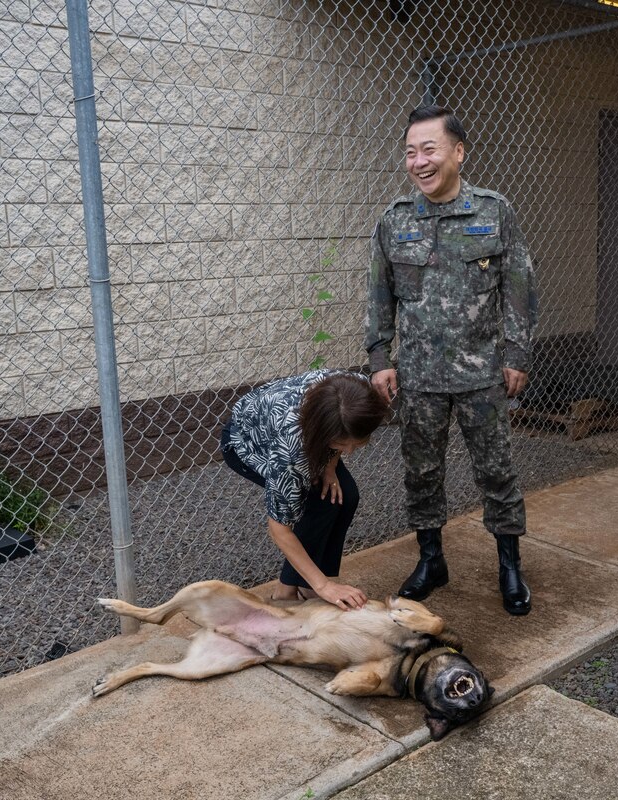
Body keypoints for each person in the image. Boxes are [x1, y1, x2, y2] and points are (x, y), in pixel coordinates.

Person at [364, 104, 539, 616]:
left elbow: (520, 287)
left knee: (497, 472)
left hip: (482, 374)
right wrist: (379, 357)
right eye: (410, 152)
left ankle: (509, 565)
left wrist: (517, 353)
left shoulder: (493, 212)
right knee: (421, 474)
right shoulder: (394, 220)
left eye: (429, 149)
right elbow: (379, 295)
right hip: (418, 378)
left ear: (459, 153)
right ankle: (431, 560)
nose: (419, 161)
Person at [220, 369, 388, 610]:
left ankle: (305, 585)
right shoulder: (290, 454)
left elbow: (340, 433)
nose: (349, 451)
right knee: (318, 504)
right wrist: (324, 586)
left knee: (345, 496)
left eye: (358, 443)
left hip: (309, 432)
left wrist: (330, 465)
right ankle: (286, 593)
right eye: (341, 444)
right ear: (323, 435)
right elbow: (279, 529)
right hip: (248, 441)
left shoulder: (358, 393)